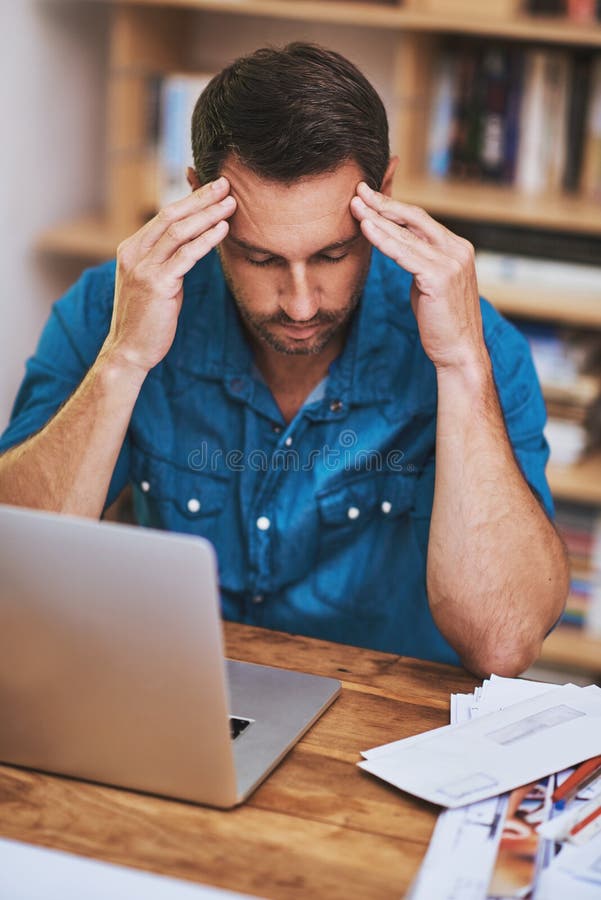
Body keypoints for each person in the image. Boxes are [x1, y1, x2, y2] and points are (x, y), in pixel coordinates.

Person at [0, 42, 568, 675]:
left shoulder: (473, 340)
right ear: (198, 199)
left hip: (388, 726)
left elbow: (505, 643)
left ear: (383, 193)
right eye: (261, 258)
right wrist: (124, 359)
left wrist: (461, 365)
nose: (300, 306)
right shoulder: (113, 308)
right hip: (189, 704)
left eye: (331, 255)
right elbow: (13, 579)